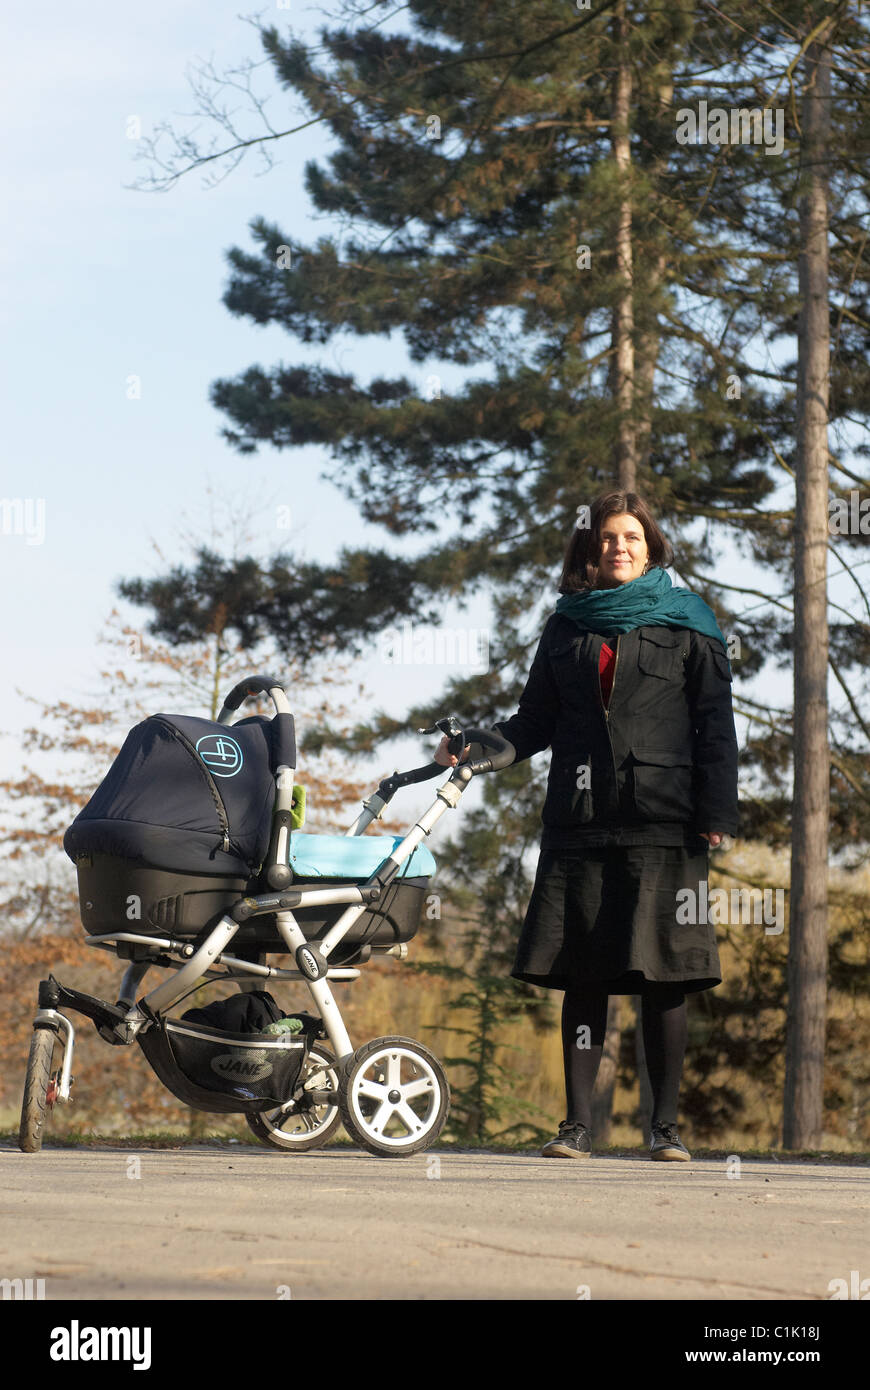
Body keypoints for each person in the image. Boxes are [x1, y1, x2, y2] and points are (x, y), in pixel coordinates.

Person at [434, 491, 738, 1161]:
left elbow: (714, 725)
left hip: (666, 823)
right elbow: (533, 723)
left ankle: (665, 1128)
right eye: (606, 538)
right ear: (590, 550)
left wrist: (717, 812)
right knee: (583, 975)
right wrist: (474, 745)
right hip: (580, 825)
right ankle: (576, 1127)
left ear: (650, 547)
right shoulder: (566, 628)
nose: (619, 546)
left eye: (631, 536)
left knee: (666, 976)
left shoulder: (691, 623)